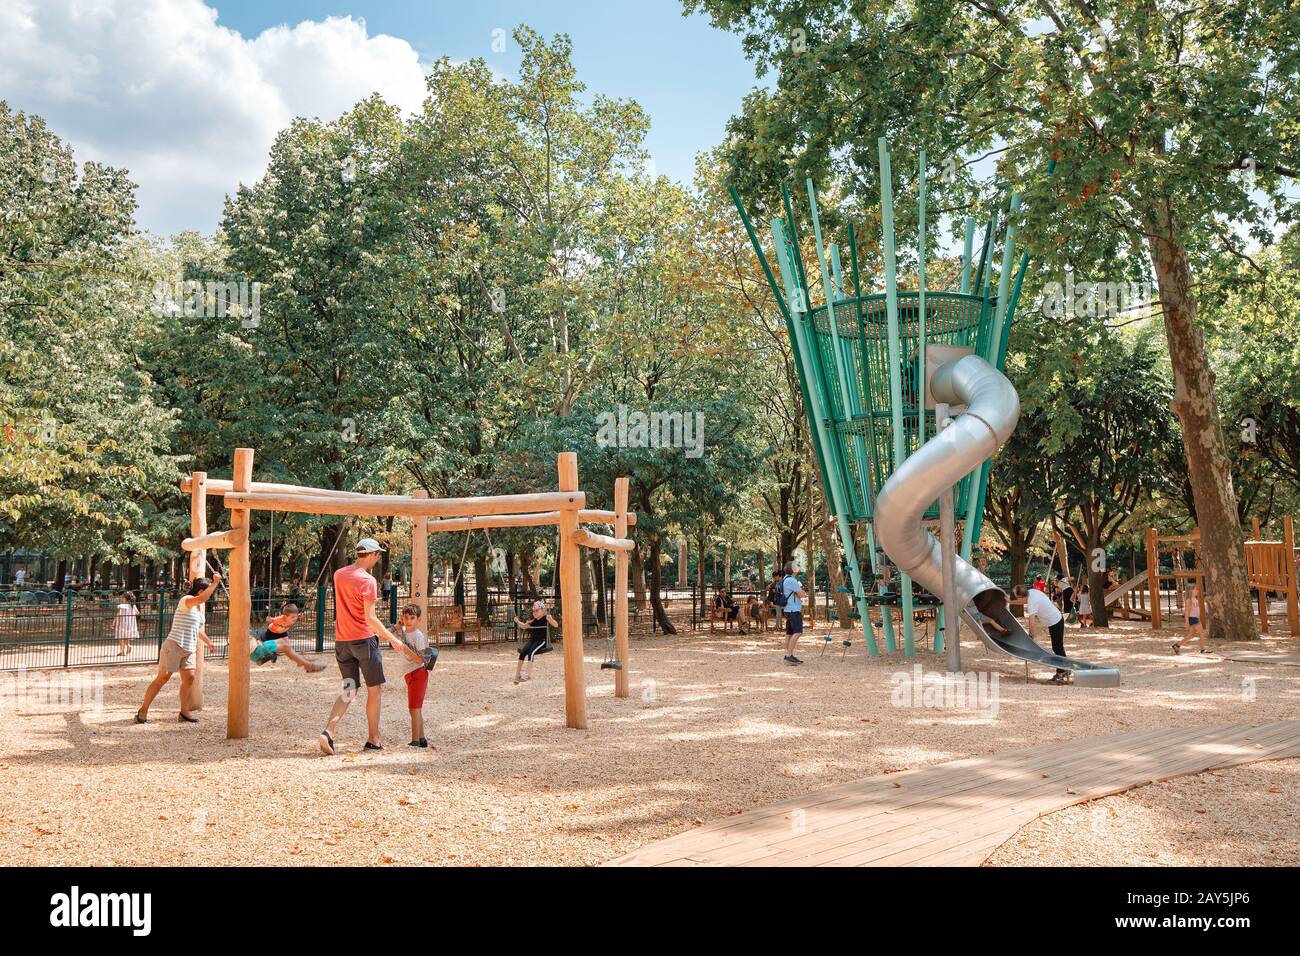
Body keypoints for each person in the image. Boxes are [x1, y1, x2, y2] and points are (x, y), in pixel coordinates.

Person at [318, 539, 411, 755]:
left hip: (342, 642)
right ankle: (373, 739)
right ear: (372, 554)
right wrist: (393, 639)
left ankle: (329, 731)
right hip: (364, 642)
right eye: (378, 555)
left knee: (349, 689)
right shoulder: (368, 581)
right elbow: (370, 618)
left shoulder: (339, 574)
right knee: (374, 690)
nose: (378, 559)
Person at [135, 575, 220, 723]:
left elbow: (198, 629)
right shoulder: (186, 600)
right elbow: (202, 599)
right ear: (201, 591)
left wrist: (208, 642)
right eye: (208, 592)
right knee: (163, 678)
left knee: (189, 678)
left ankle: (184, 712)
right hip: (174, 645)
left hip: (189, 648)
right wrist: (215, 582)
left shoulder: (199, 608)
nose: (210, 595)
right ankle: (143, 710)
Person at [394, 604, 435, 747]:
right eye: (406, 618)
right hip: (409, 673)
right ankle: (422, 738)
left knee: (414, 708)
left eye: (412, 618)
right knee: (416, 708)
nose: (409, 620)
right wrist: (396, 626)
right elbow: (383, 636)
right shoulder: (402, 632)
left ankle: (415, 741)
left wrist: (405, 650)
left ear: (418, 619)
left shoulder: (418, 636)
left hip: (418, 672)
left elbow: (421, 659)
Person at [1011, 584, 1069, 684]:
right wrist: (1010, 602)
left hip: (1055, 621)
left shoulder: (1032, 603)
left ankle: (1061, 673)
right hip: (1055, 620)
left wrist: (1031, 636)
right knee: (1058, 647)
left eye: (1016, 596)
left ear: (1022, 596)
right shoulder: (1031, 592)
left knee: (1057, 648)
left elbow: (1032, 622)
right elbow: (1023, 601)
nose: (1017, 599)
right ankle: (1064, 669)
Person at [250, 602, 326, 672]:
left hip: (262, 641)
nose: (294, 619)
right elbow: (273, 620)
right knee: (285, 646)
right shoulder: (280, 619)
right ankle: (307, 665)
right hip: (264, 641)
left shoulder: (294, 617)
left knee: (286, 645)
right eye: (293, 617)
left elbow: (297, 615)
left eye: (295, 617)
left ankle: (302, 660)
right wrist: (270, 620)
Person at [513, 600, 558, 684]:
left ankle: (527, 674)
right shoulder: (533, 621)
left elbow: (556, 625)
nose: (535, 612)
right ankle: (517, 674)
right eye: (533, 611)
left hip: (542, 641)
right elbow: (523, 626)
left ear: (543, 610)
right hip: (532, 640)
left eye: (537, 610)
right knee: (522, 652)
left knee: (531, 653)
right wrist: (517, 621)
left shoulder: (546, 618)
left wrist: (551, 619)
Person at [780, 562, 807, 665]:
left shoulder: (785, 579)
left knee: (789, 633)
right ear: (794, 570)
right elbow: (800, 594)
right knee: (798, 632)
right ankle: (789, 655)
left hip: (787, 609)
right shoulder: (792, 580)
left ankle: (788, 654)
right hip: (794, 609)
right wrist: (802, 591)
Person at [1172, 582, 1206, 655]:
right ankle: (1203, 649)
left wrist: (1199, 618)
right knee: (1202, 633)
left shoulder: (1195, 600)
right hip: (1192, 619)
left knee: (1191, 635)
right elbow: (1187, 611)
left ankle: (1177, 645)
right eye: (1195, 589)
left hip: (1195, 618)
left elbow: (1197, 611)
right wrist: (1186, 621)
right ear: (1191, 590)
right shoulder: (1189, 600)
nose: (1197, 590)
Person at [114, 591, 139, 656]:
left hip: (122, 623)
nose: (121, 599)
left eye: (122, 597)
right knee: (126, 636)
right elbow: (137, 613)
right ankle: (128, 646)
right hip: (130, 624)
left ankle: (122, 651)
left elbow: (118, 614)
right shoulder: (133, 605)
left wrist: (114, 622)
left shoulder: (121, 606)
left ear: (125, 598)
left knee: (121, 637)